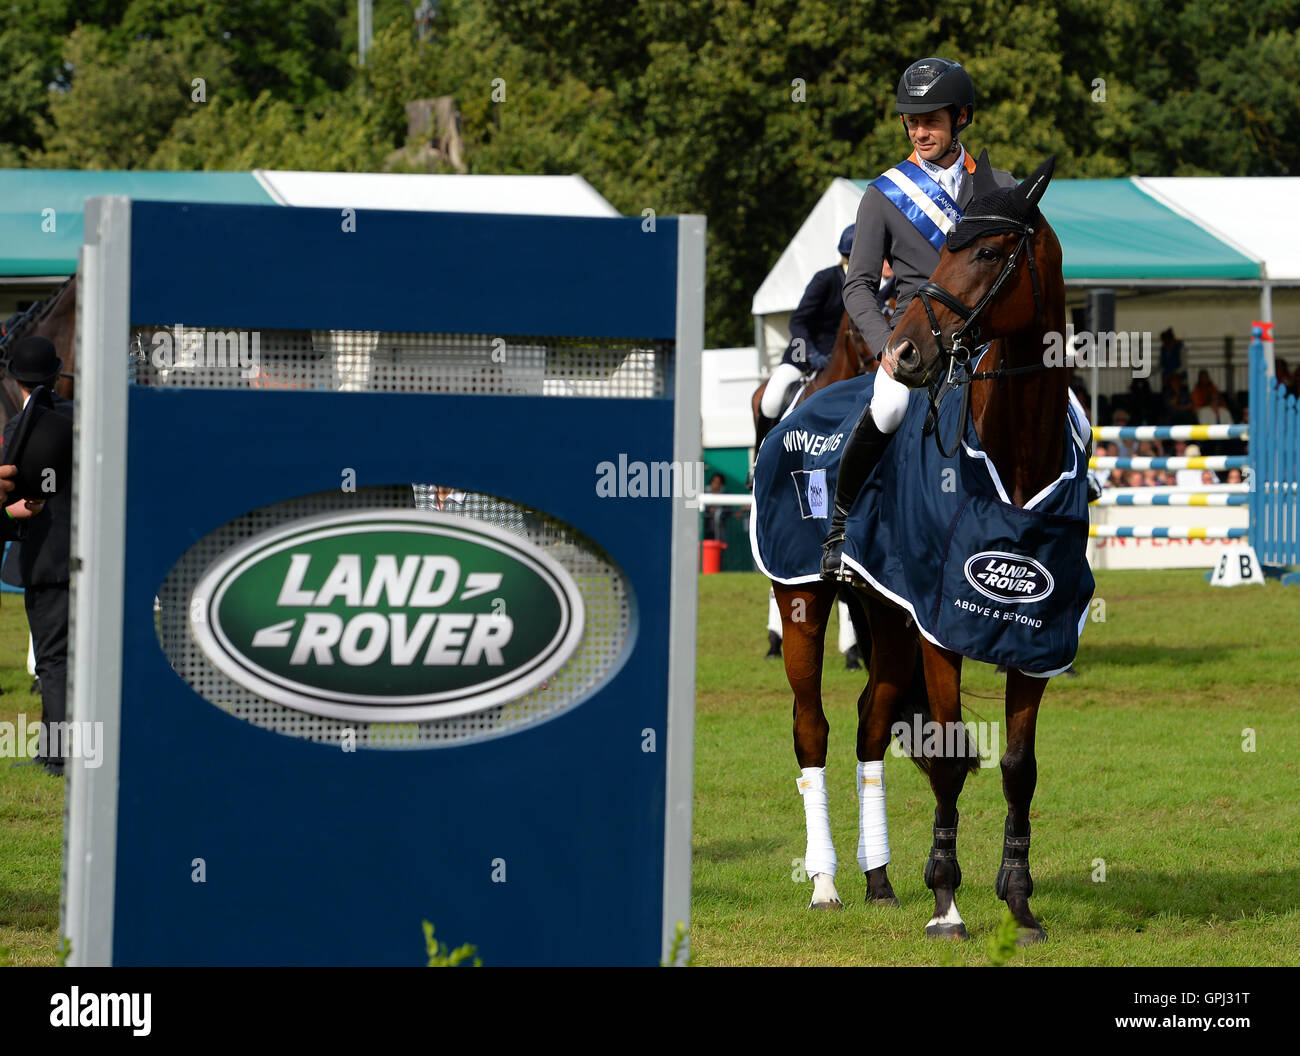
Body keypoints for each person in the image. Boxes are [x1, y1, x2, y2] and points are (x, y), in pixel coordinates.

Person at [824, 56, 1017, 577]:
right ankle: (840, 530)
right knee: (886, 408)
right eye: (912, 120)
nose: (920, 130)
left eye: (931, 118)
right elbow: (859, 284)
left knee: (1075, 419)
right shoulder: (883, 195)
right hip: (920, 348)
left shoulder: (1000, 186)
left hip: (986, 342)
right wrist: (887, 342)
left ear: (961, 118)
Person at [0, 336, 72, 777]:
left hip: (46, 556)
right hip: (90, 552)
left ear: (14, 378)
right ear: (55, 372)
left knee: (53, 659)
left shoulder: (15, 431)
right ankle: (54, 749)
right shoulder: (82, 419)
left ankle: (60, 754)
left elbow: (27, 502)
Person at [756, 225, 857, 440]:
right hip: (805, 355)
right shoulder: (825, 280)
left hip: (848, 360)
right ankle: (760, 458)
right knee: (771, 399)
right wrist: (811, 355)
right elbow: (798, 322)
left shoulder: (872, 284)